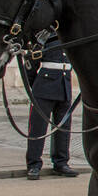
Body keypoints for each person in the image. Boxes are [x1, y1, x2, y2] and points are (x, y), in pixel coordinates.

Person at [25, 32, 78, 179]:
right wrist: (37, 86)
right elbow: (29, 66)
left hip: (64, 87)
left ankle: (61, 163)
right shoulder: (42, 38)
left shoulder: (69, 36)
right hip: (44, 89)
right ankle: (34, 164)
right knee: (38, 129)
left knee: (63, 129)